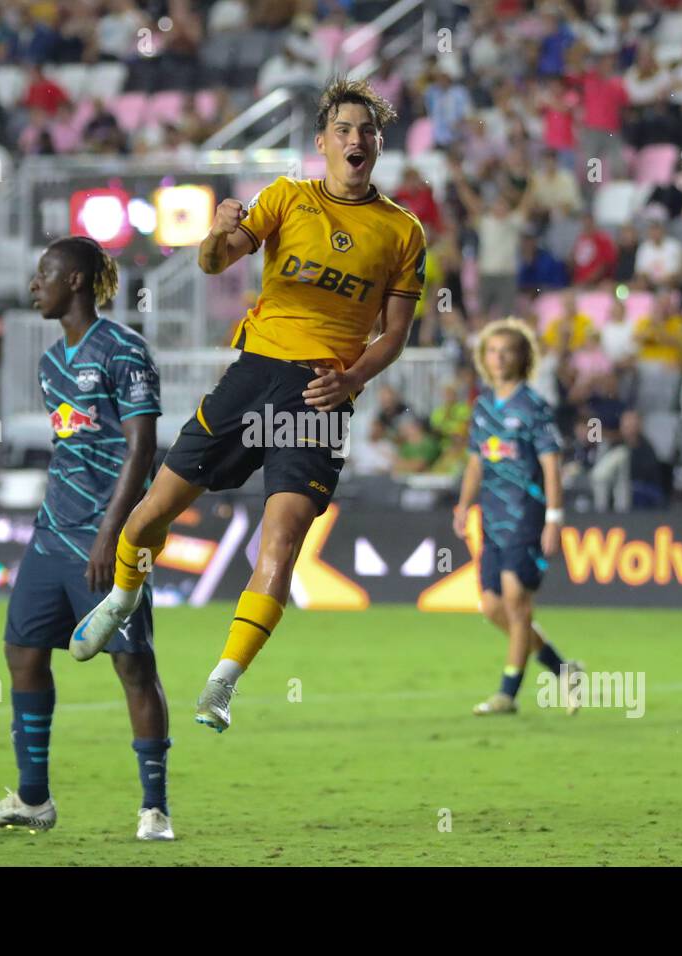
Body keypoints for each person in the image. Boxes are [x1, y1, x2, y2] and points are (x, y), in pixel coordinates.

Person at [68, 78, 426, 734]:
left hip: (318, 396)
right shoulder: (287, 197)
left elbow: (395, 335)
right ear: (322, 142)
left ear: (378, 144)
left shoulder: (402, 231)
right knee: (152, 512)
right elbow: (213, 262)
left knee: (282, 542)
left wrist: (351, 382)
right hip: (254, 376)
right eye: (344, 129)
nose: (356, 139)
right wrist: (218, 231)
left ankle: (222, 681)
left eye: (367, 131)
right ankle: (123, 597)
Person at [0, 237, 173, 840]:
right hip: (52, 534)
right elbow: (71, 447)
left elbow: (142, 448)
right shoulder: (51, 362)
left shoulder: (123, 350)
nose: (35, 285)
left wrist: (114, 532)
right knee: (23, 654)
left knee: (134, 665)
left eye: (45, 274)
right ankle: (33, 800)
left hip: (108, 537)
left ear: (76, 281)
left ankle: (154, 807)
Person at [453, 318, 582, 716]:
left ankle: (507, 693)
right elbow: (476, 463)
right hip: (491, 518)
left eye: (507, 350)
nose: (499, 357)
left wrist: (554, 518)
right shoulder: (482, 407)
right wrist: (463, 504)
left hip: (526, 513)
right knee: (492, 607)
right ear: (483, 357)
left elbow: (551, 465)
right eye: (492, 350)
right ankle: (564, 668)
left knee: (515, 599)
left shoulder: (533, 405)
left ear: (522, 358)